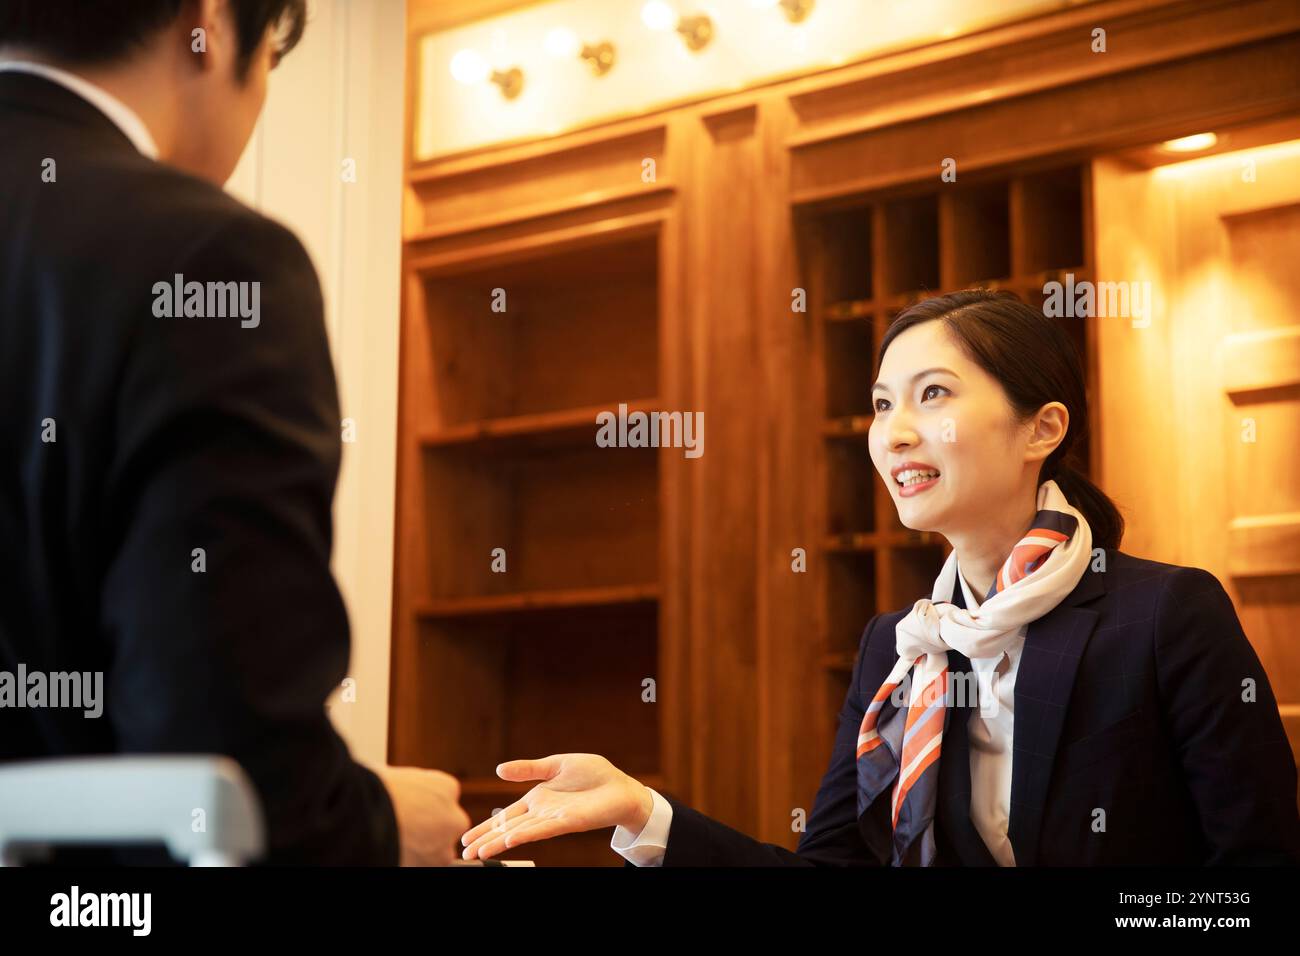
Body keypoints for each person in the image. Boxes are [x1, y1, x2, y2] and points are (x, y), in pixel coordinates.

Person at [460, 289, 1300, 866]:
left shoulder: (1162, 615)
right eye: (882, 403)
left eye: (933, 395)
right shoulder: (899, 651)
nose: (894, 434)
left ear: (1041, 427)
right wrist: (644, 813)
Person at [0, 0, 468, 865]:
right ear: (209, 23)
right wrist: (379, 825)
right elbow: (228, 776)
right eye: (275, 58)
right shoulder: (203, 255)